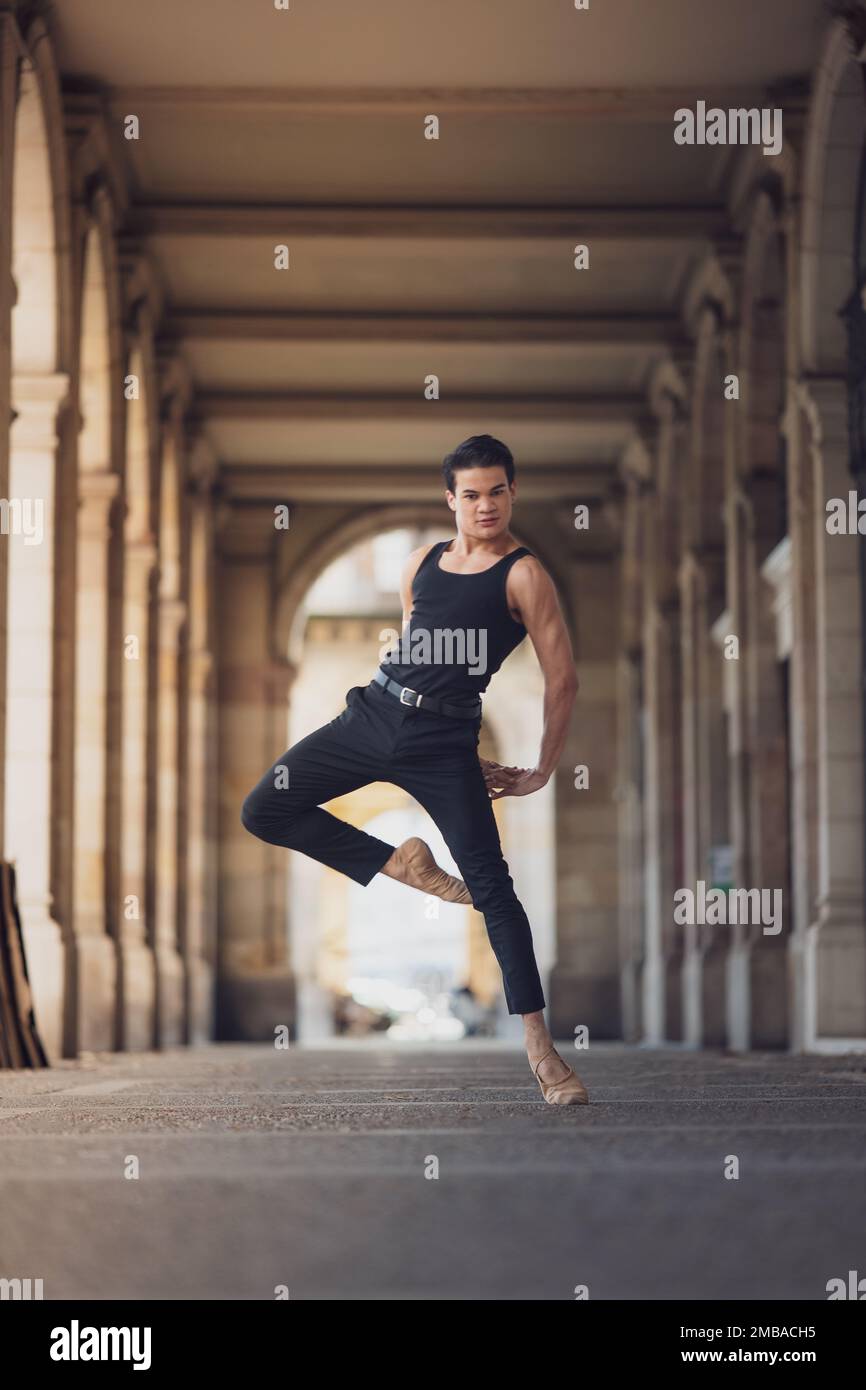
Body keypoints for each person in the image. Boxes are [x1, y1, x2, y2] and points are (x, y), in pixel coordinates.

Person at [241, 434, 587, 1105]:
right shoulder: (421, 562)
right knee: (264, 807)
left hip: (443, 744)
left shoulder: (524, 574)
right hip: (372, 715)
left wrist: (543, 766)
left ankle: (543, 1051)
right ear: (450, 499)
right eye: (470, 494)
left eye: (496, 492)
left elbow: (562, 678)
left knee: (493, 888)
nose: (484, 506)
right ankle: (398, 864)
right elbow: (415, 644)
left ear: (513, 493)